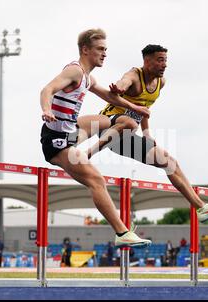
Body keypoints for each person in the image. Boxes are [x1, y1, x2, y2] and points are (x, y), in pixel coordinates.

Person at [77, 44, 208, 223]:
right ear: (147, 61)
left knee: (170, 162)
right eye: (160, 60)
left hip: (127, 135)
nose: (164, 65)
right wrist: (119, 87)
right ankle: (88, 153)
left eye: (165, 60)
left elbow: (144, 108)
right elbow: (124, 81)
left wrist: (147, 132)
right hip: (108, 128)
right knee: (128, 122)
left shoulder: (160, 83)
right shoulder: (134, 76)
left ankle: (202, 208)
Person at [39, 28, 151, 248]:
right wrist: (46, 109)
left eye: (106, 49)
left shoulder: (88, 78)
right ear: (85, 50)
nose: (104, 54)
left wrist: (134, 107)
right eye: (100, 49)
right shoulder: (75, 71)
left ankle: (88, 150)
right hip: (56, 140)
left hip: (71, 129)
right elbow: (47, 89)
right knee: (97, 181)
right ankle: (122, 232)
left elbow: (109, 96)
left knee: (125, 121)